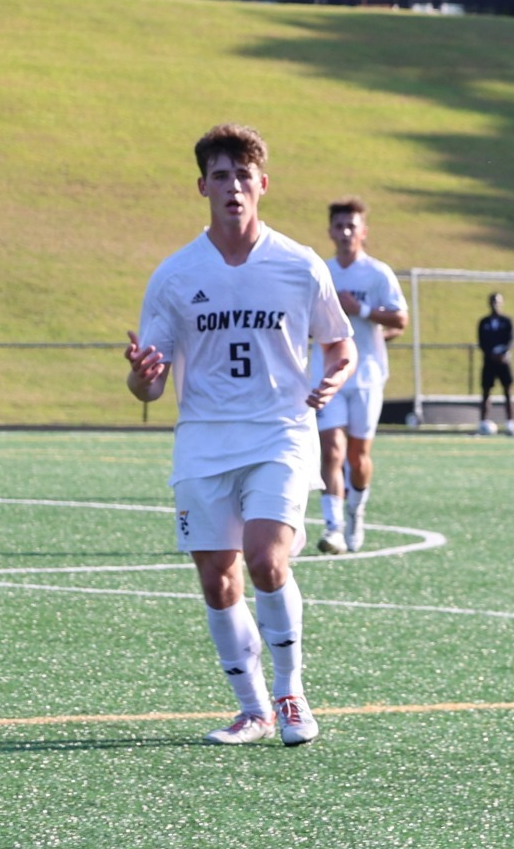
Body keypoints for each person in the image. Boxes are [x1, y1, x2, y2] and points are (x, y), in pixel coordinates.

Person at [124, 123, 356, 746]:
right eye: (220, 176)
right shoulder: (175, 275)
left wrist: (334, 378)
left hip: (279, 433)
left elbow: (341, 346)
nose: (233, 187)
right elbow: (148, 386)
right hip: (202, 439)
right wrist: (143, 378)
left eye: (243, 175)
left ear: (262, 184)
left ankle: (290, 692)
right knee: (217, 578)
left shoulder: (299, 264)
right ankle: (250, 708)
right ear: (202, 185)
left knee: (265, 559)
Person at [314, 197, 408, 555]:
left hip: (366, 375)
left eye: (351, 226)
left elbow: (400, 319)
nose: (345, 232)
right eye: (339, 226)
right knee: (331, 451)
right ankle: (333, 527)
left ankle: (356, 511)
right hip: (328, 374)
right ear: (330, 231)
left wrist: (361, 309)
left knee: (358, 457)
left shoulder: (378, 274)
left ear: (363, 232)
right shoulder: (320, 272)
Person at [476, 292, 514, 436]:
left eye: (497, 302)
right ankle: (482, 423)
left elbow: (510, 340)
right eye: (493, 302)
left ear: (502, 303)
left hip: (504, 362)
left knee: (508, 391)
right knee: (486, 392)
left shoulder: (507, 321)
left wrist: (503, 353)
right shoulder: (484, 322)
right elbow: (481, 342)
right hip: (489, 361)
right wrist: (491, 354)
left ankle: (511, 425)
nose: (495, 304)